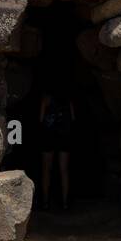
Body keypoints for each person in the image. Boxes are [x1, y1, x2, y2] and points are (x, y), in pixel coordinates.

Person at [39, 81, 75, 211]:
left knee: (46, 170)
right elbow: (73, 119)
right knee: (64, 170)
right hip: (64, 136)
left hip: (49, 136)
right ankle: (65, 203)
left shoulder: (46, 98)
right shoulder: (68, 100)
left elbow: (41, 119)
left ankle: (45, 202)